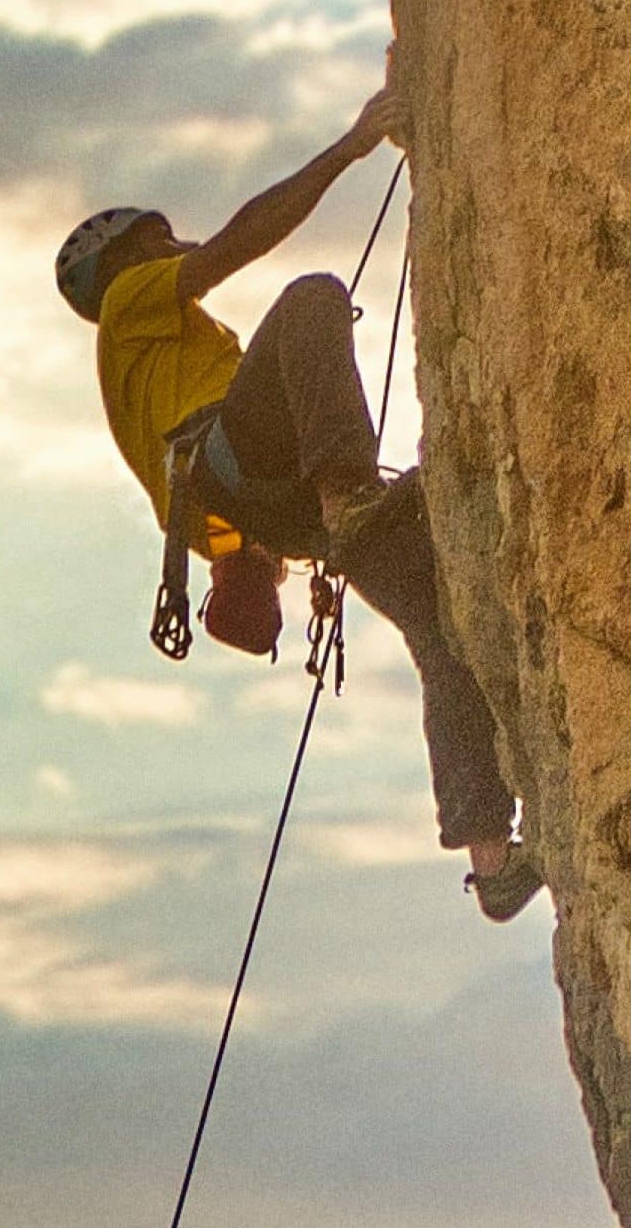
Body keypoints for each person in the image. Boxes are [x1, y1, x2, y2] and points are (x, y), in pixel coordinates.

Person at [53, 75, 545, 922]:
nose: (180, 248)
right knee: (314, 297)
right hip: (254, 475)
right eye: (161, 240)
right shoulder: (130, 305)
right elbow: (243, 240)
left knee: (441, 623)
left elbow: (218, 531)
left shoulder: (162, 362)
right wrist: (350, 150)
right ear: (125, 263)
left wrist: (259, 560)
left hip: (263, 506)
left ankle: (491, 856)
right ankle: (349, 495)